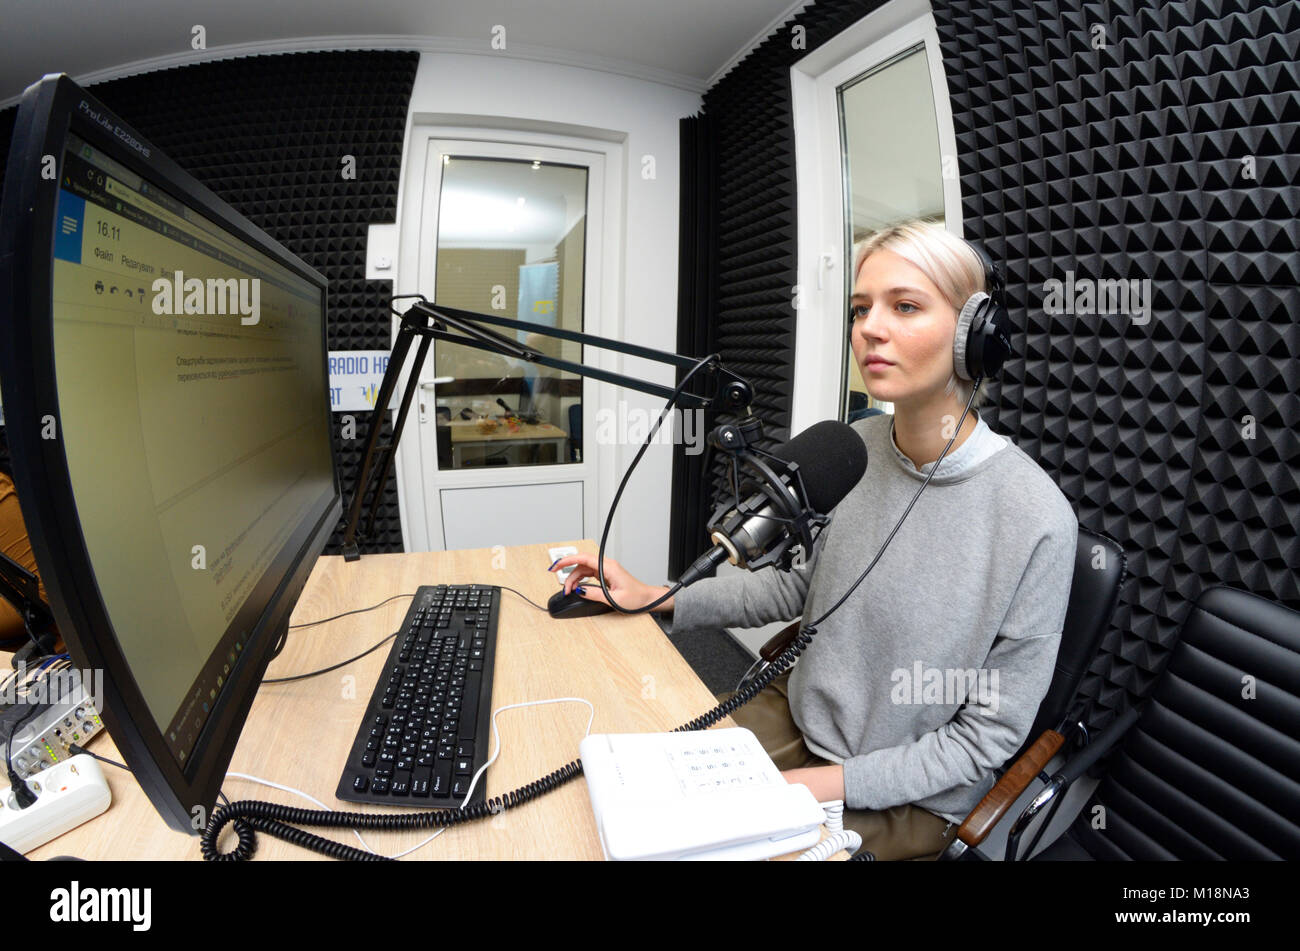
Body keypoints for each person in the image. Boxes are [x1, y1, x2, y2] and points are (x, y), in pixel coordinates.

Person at [549, 220, 1077, 860]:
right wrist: (657, 596)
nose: (869, 329)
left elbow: (983, 741)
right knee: (619, 807)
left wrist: (815, 786)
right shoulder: (856, 450)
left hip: (908, 792)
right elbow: (809, 584)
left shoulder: (1036, 519)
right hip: (793, 716)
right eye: (861, 309)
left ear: (975, 336)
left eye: (904, 306)